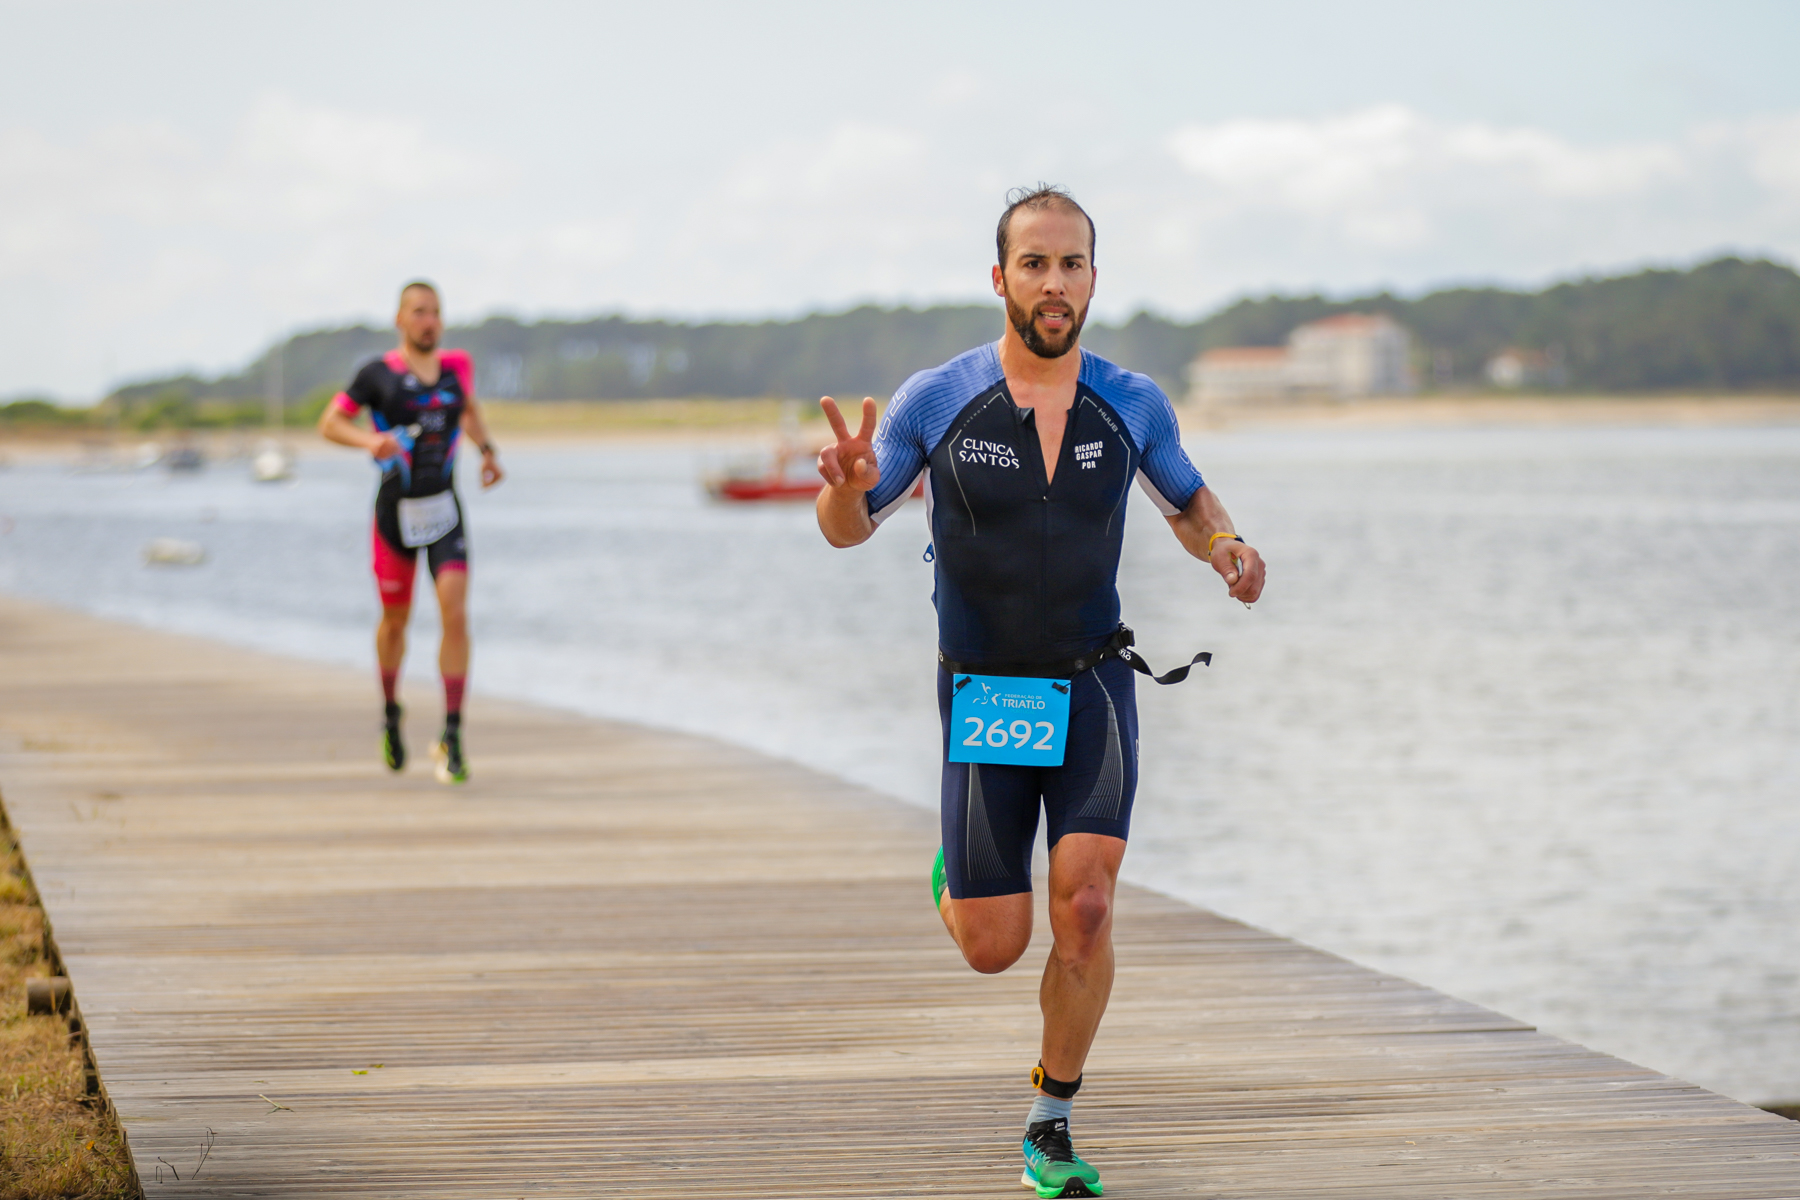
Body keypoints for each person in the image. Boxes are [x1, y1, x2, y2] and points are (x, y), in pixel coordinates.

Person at [815, 186, 1265, 1198]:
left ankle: (1051, 1118)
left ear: (1094, 279)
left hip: (1094, 680)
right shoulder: (938, 399)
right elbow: (849, 528)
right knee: (993, 945)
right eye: (1034, 264)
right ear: (1001, 279)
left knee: (1088, 907)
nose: (1054, 283)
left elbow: (1188, 499)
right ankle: (959, 875)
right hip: (986, 692)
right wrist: (843, 486)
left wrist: (1226, 545)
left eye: (1071, 264)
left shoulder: (1132, 401)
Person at [318, 281, 504, 784]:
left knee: (455, 615)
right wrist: (369, 441)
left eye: (436, 312)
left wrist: (487, 452)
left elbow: (467, 410)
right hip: (394, 516)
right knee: (395, 623)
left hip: (444, 511)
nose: (429, 321)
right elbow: (330, 423)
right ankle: (390, 711)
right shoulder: (377, 375)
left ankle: (452, 734)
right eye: (419, 312)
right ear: (400, 319)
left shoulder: (456, 367)